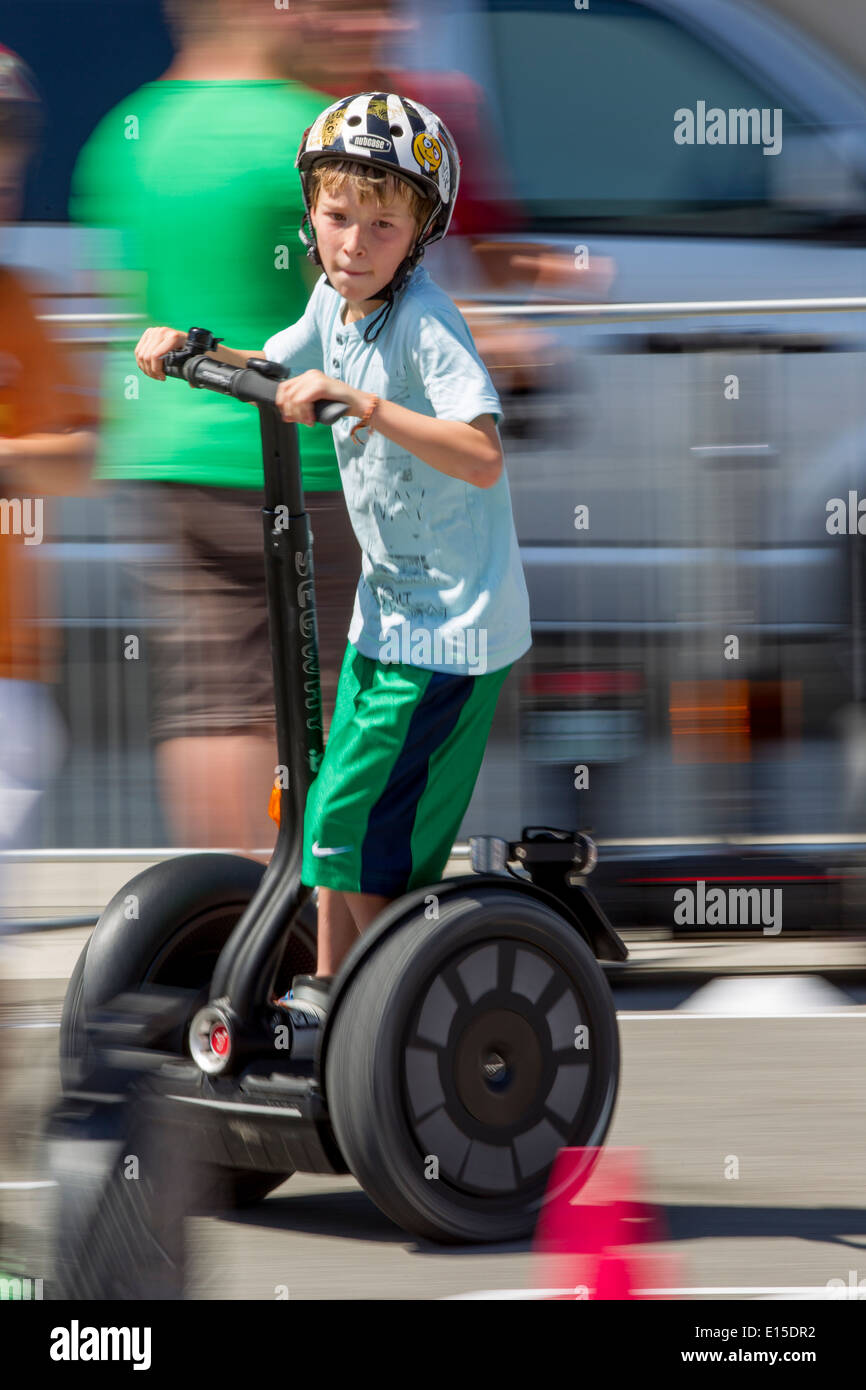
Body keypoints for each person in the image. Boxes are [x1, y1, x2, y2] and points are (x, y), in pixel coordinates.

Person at [134, 92, 532, 1026]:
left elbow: (481, 453)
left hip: (454, 633)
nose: (354, 242)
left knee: (366, 825)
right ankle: (327, 995)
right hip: (386, 615)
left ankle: (399, 1019)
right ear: (311, 213)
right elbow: (277, 370)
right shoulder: (331, 302)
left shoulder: (427, 326)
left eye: (382, 225)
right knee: (323, 815)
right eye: (337, 216)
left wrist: (367, 407)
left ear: (421, 231)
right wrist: (190, 347)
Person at [70, 0, 359, 859]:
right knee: (336, 688)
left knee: (211, 700)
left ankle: (228, 915)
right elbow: (352, 291)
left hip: (168, 448)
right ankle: (325, 914)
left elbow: (122, 285)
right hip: (292, 452)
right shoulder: (301, 129)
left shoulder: (134, 128)